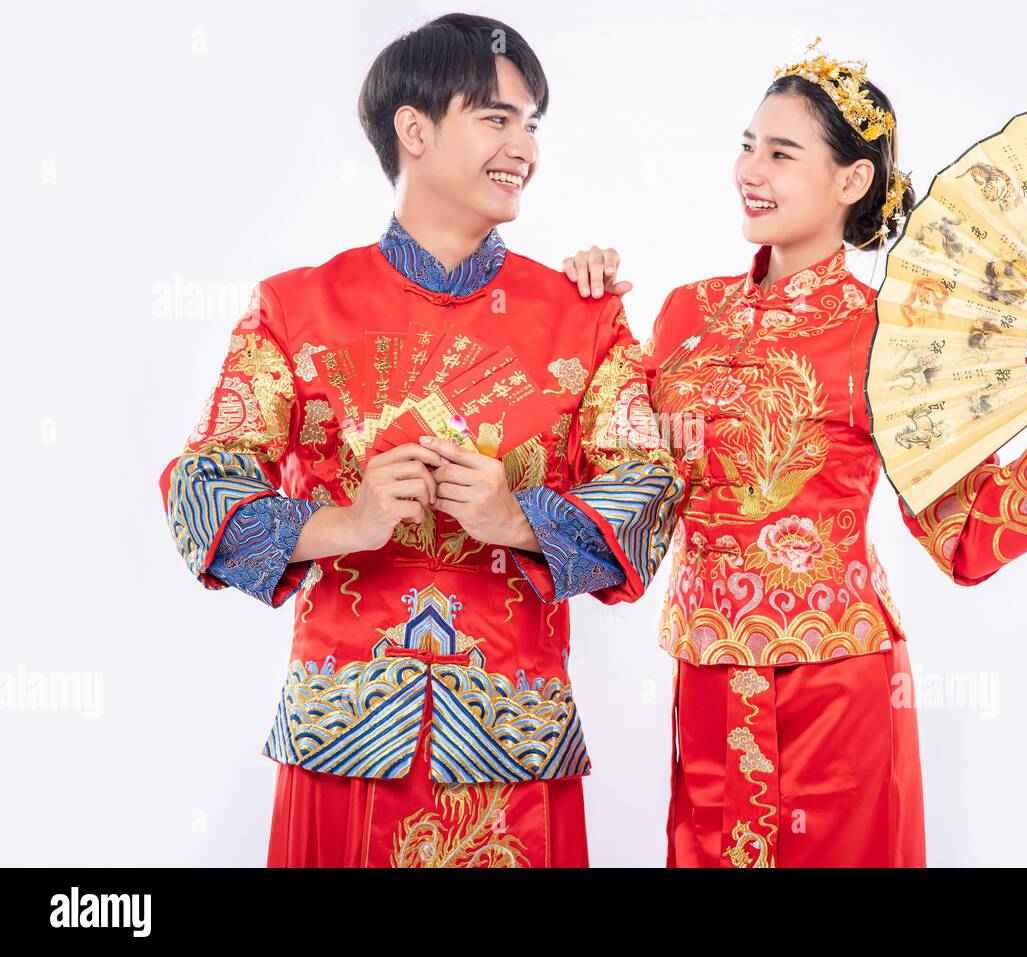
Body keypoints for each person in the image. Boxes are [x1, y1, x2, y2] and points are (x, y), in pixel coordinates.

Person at [564, 39, 1027, 867]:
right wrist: (585, 308)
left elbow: (964, 530)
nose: (752, 169)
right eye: (746, 145)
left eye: (781, 152)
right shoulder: (684, 313)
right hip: (708, 673)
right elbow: (613, 450)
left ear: (851, 180)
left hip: (837, 678)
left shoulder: (887, 333)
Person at [158, 13, 681, 868]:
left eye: (532, 124)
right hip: (342, 740)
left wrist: (514, 516)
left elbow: (650, 490)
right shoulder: (295, 308)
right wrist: (344, 526)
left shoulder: (581, 316)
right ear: (415, 129)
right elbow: (198, 484)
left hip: (515, 742)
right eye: (497, 119)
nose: (524, 147)